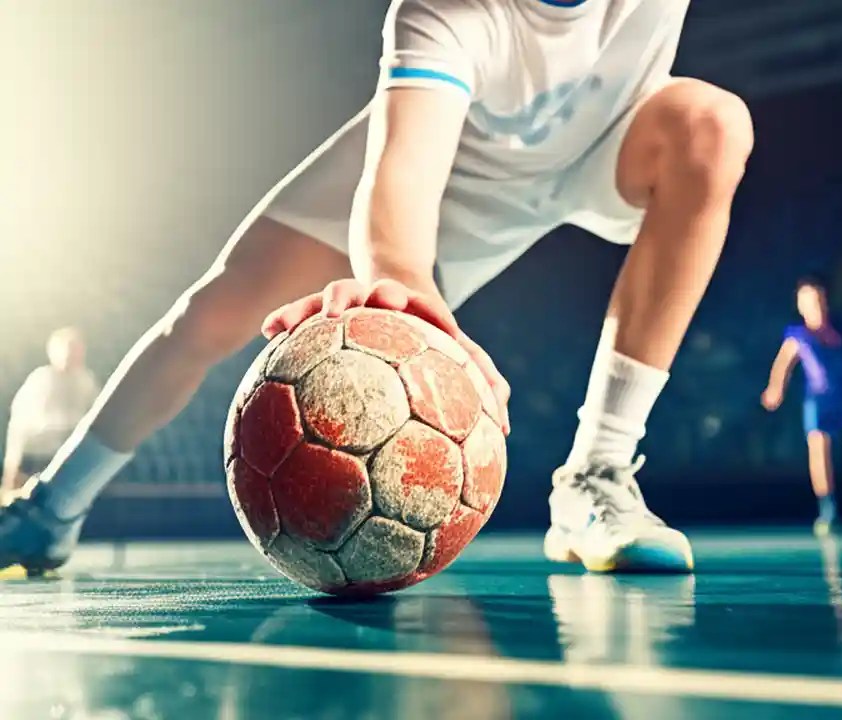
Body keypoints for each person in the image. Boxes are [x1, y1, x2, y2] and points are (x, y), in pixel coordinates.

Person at [0, 0, 753, 575]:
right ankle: (53, 507)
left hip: (600, 153)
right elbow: (400, 186)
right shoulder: (447, 13)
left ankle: (598, 476)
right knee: (206, 318)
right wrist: (398, 288)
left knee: (715, 125)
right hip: (442, 170)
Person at [761, 276, 842, 535]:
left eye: (818, 299)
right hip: (819, 400)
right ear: (800, 305)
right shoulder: (797, 335)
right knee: (818, 447)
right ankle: (827, 509)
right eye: (809, 300)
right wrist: (775, 388)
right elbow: (783, 364)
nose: (815, 306)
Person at [2, 329, 98, 501]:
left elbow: (96, 419)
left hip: (69, 458)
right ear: (54, 352)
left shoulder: (86, 381)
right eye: (68, 349)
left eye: (76, 349)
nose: (72, 355)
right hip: (36, 458)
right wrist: (12, 469)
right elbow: (19, 427)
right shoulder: (40, 380)